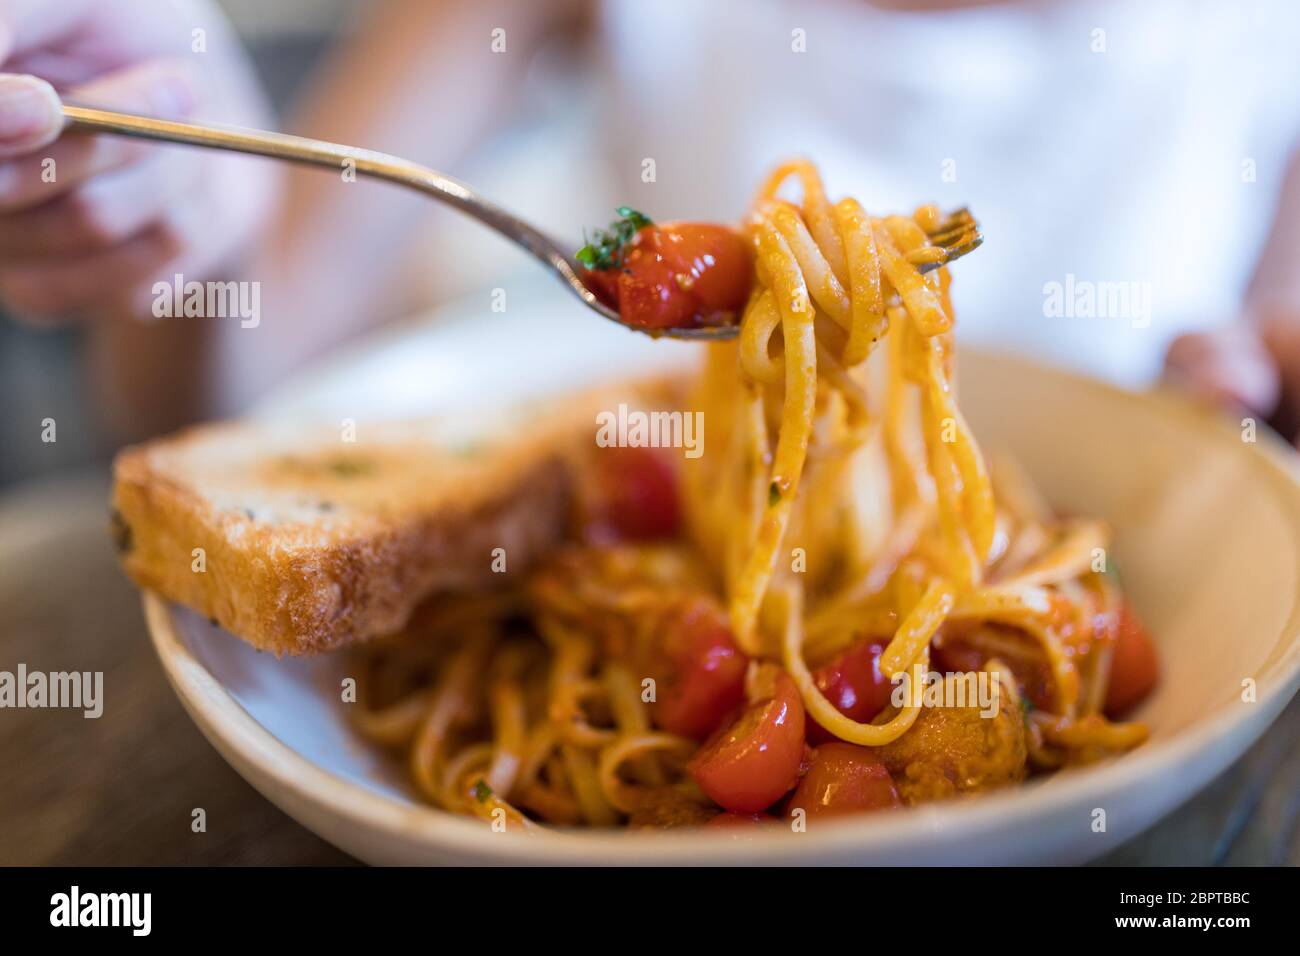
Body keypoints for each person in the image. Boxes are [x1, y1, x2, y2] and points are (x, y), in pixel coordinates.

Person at [2, 0, 1299, 442]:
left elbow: (1261, 357)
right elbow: (228, 405)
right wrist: (197, 230)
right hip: (665, 537)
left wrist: (1256, 394)